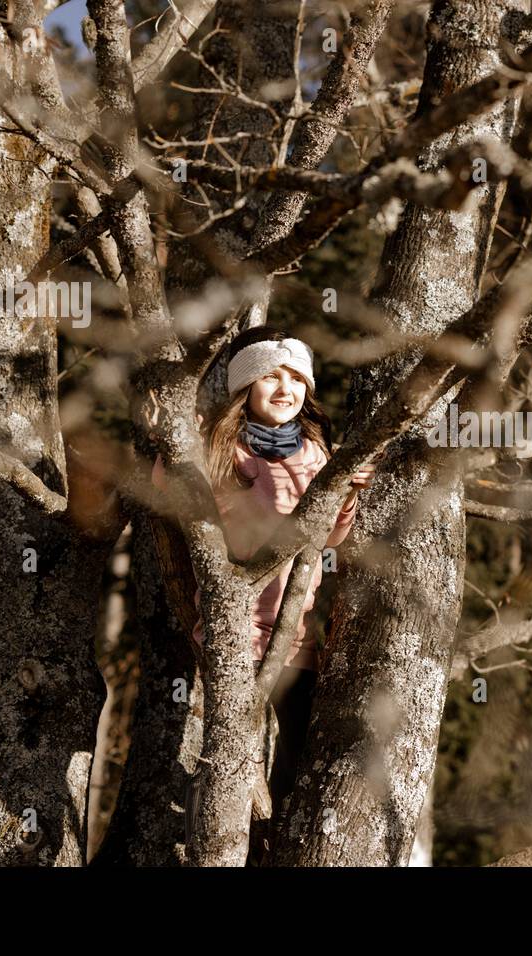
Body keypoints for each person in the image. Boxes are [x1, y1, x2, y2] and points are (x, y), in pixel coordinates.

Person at [152, 329, 373, 850]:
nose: (284, 388)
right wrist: (178, 439)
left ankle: (275, 850)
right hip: (234, 629)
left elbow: (330, 539)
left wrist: (343, 496)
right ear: (246, 387)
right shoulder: (223, 448)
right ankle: (212, 847)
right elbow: (164, 487)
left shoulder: (318, 454)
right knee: (227, 758)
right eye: (271, 375)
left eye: (296, 378)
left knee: (296, 755)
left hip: (293, 632)